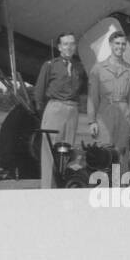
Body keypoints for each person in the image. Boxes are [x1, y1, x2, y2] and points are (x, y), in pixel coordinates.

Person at [34, 32, 85, 188]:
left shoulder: (79, 67)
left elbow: (80, 90)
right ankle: (47, 188)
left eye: (72, 44)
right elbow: (39, 91)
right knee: (49, 150)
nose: (69, 47)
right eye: (65, 44)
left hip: (72, 110)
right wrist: (43, 112)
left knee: (67, 149)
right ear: (59, 47)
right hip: (55, 107)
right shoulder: (50, 65)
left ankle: (62, 186)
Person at [87, 28, 130, 169]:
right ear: (110, 44)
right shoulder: (97, 69)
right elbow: (92, 96)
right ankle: (103, 188)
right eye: (117, 43)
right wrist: (92, 121)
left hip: (124, 114)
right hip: (105, 112)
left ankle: (121, 188)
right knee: (104, 153)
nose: (120, 47)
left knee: (122, 153)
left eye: (123, 44)